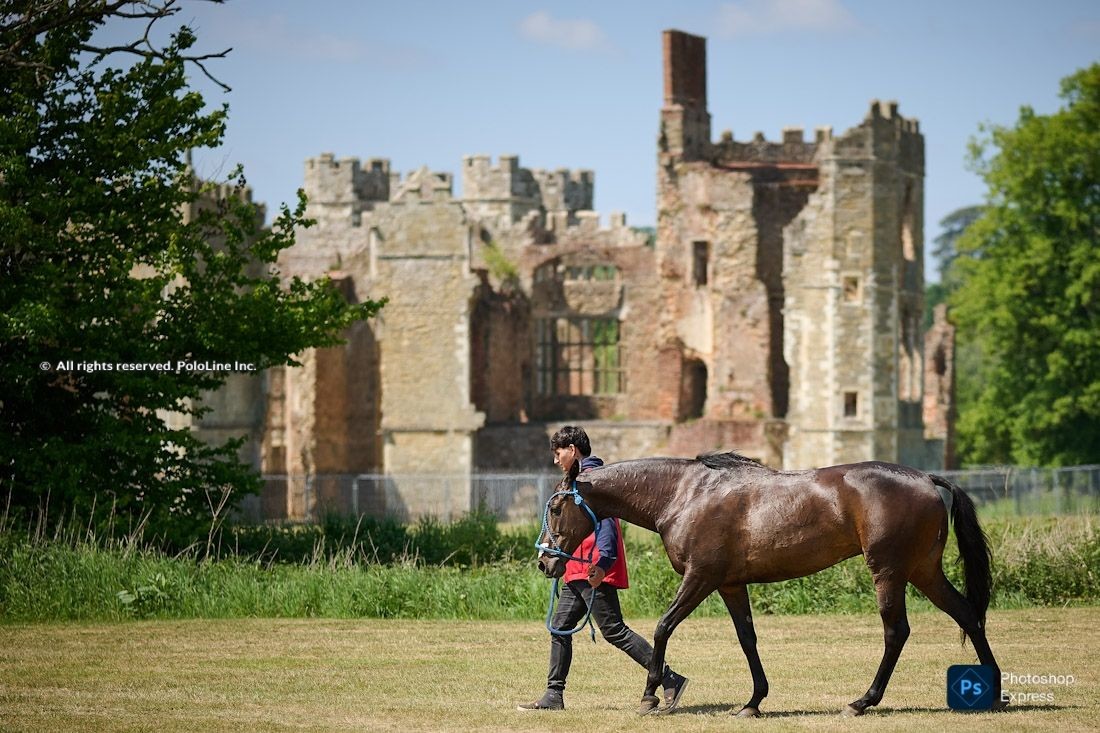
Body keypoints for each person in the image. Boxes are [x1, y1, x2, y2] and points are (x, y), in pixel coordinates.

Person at [518, 425, 689, 712]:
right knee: (560, 627)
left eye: (558, 453)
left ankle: (670, 678)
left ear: (573, 450)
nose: (555, 460)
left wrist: (603, 563)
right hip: (577, 566)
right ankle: (553, 695)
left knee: (613, 630)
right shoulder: (577, 480)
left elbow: (608, 521)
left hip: (592, 567)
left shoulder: (593, 480)